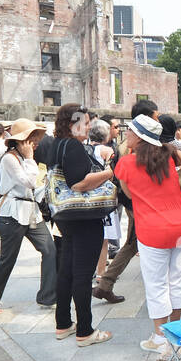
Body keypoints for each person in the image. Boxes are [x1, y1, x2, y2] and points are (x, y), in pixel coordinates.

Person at [114, 114, 181, 354]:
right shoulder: (168, 156)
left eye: (129, 131)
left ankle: (160, 338)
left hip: (152, 231)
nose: (125, 134)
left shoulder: (125, 164)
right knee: (177, 281)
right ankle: (176, 333)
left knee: (157, 285)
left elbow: (127, 193)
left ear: (138, 136)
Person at [0, 119, 56, 314]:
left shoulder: (25, 157)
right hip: (12, 214)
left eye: (36, 138)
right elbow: (28, 181)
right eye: (31, 138)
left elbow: (34, 186)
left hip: (31, 213)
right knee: (7, 258)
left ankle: (48, 296)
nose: (35, 142)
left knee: (50, 249)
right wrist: (29, 159)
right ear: (21, 140)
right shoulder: (10, 158)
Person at [51, 103, 113, 346]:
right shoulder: (74, 147)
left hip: (65, 217)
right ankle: (85, 330)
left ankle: (63, 323)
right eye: (85, 123)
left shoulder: (56, 145)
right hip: (84, 217)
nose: (89, 127)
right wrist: (109, 173)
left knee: (66, 269)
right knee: (82, 273)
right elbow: (79, 183)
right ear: (72, 123)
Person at [93, 99, 160, 304]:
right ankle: (105, 284)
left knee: (132, 244)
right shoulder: (131, 146)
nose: (158, 120)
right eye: (155, 117)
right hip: (137, 204)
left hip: (136, 203)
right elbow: (127, 180)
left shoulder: (129, 143)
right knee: (132, 244)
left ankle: (105, 284)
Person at [88, 118, 118, 281]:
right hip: (102, 197)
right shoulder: (106, 151)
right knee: (103, 239)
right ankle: (100, 273)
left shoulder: (83, 149)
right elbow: (112, 172)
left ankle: (90, 270)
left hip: (86, 196)